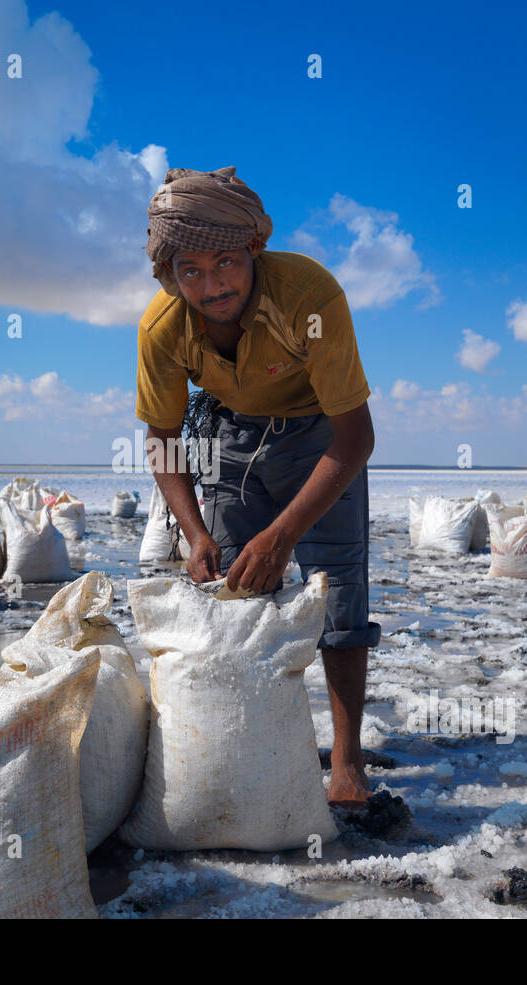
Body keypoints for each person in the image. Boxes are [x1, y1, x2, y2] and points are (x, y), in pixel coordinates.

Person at [135, 165, 380, 807]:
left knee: (337, 597)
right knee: (233, 595)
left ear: (253, 249)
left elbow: (355, 438)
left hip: (317, 438)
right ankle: (265, 746)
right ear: (169, 273)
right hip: (229, 436)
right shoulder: (162, 330)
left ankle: (348, 762)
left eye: (225, 264)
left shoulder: (310, 296)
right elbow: (164, 440)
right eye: (190, 271)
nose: (211, 286)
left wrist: (282, 536)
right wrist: (192, 534)